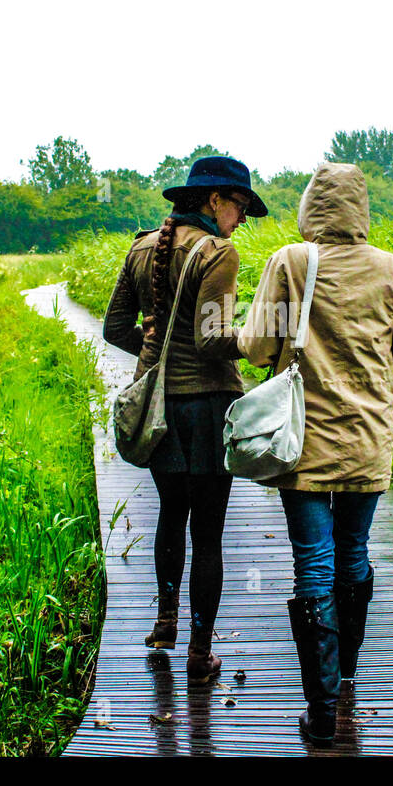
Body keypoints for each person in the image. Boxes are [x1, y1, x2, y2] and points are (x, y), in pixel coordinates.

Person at [239, 162, 393, 745]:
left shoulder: (290, 263)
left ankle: (319, 709)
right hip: (368, 439)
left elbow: (257, 346)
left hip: (303, 445)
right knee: (354, 554)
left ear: (310, 207)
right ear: (362, 209)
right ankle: (346, 675)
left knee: (312, 564)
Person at [103, 155, 268, 684]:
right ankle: (200, 652)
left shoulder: (142, 246)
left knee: (171, 516)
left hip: (158, 408)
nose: (240, 218)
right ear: (213, 200)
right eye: (239, 206)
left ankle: (164, 623)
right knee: (210, 533)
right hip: (207, 406)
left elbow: (113, 328)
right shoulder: (217, 252)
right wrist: (257, 341)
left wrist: (152, 346)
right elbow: (211, 339)